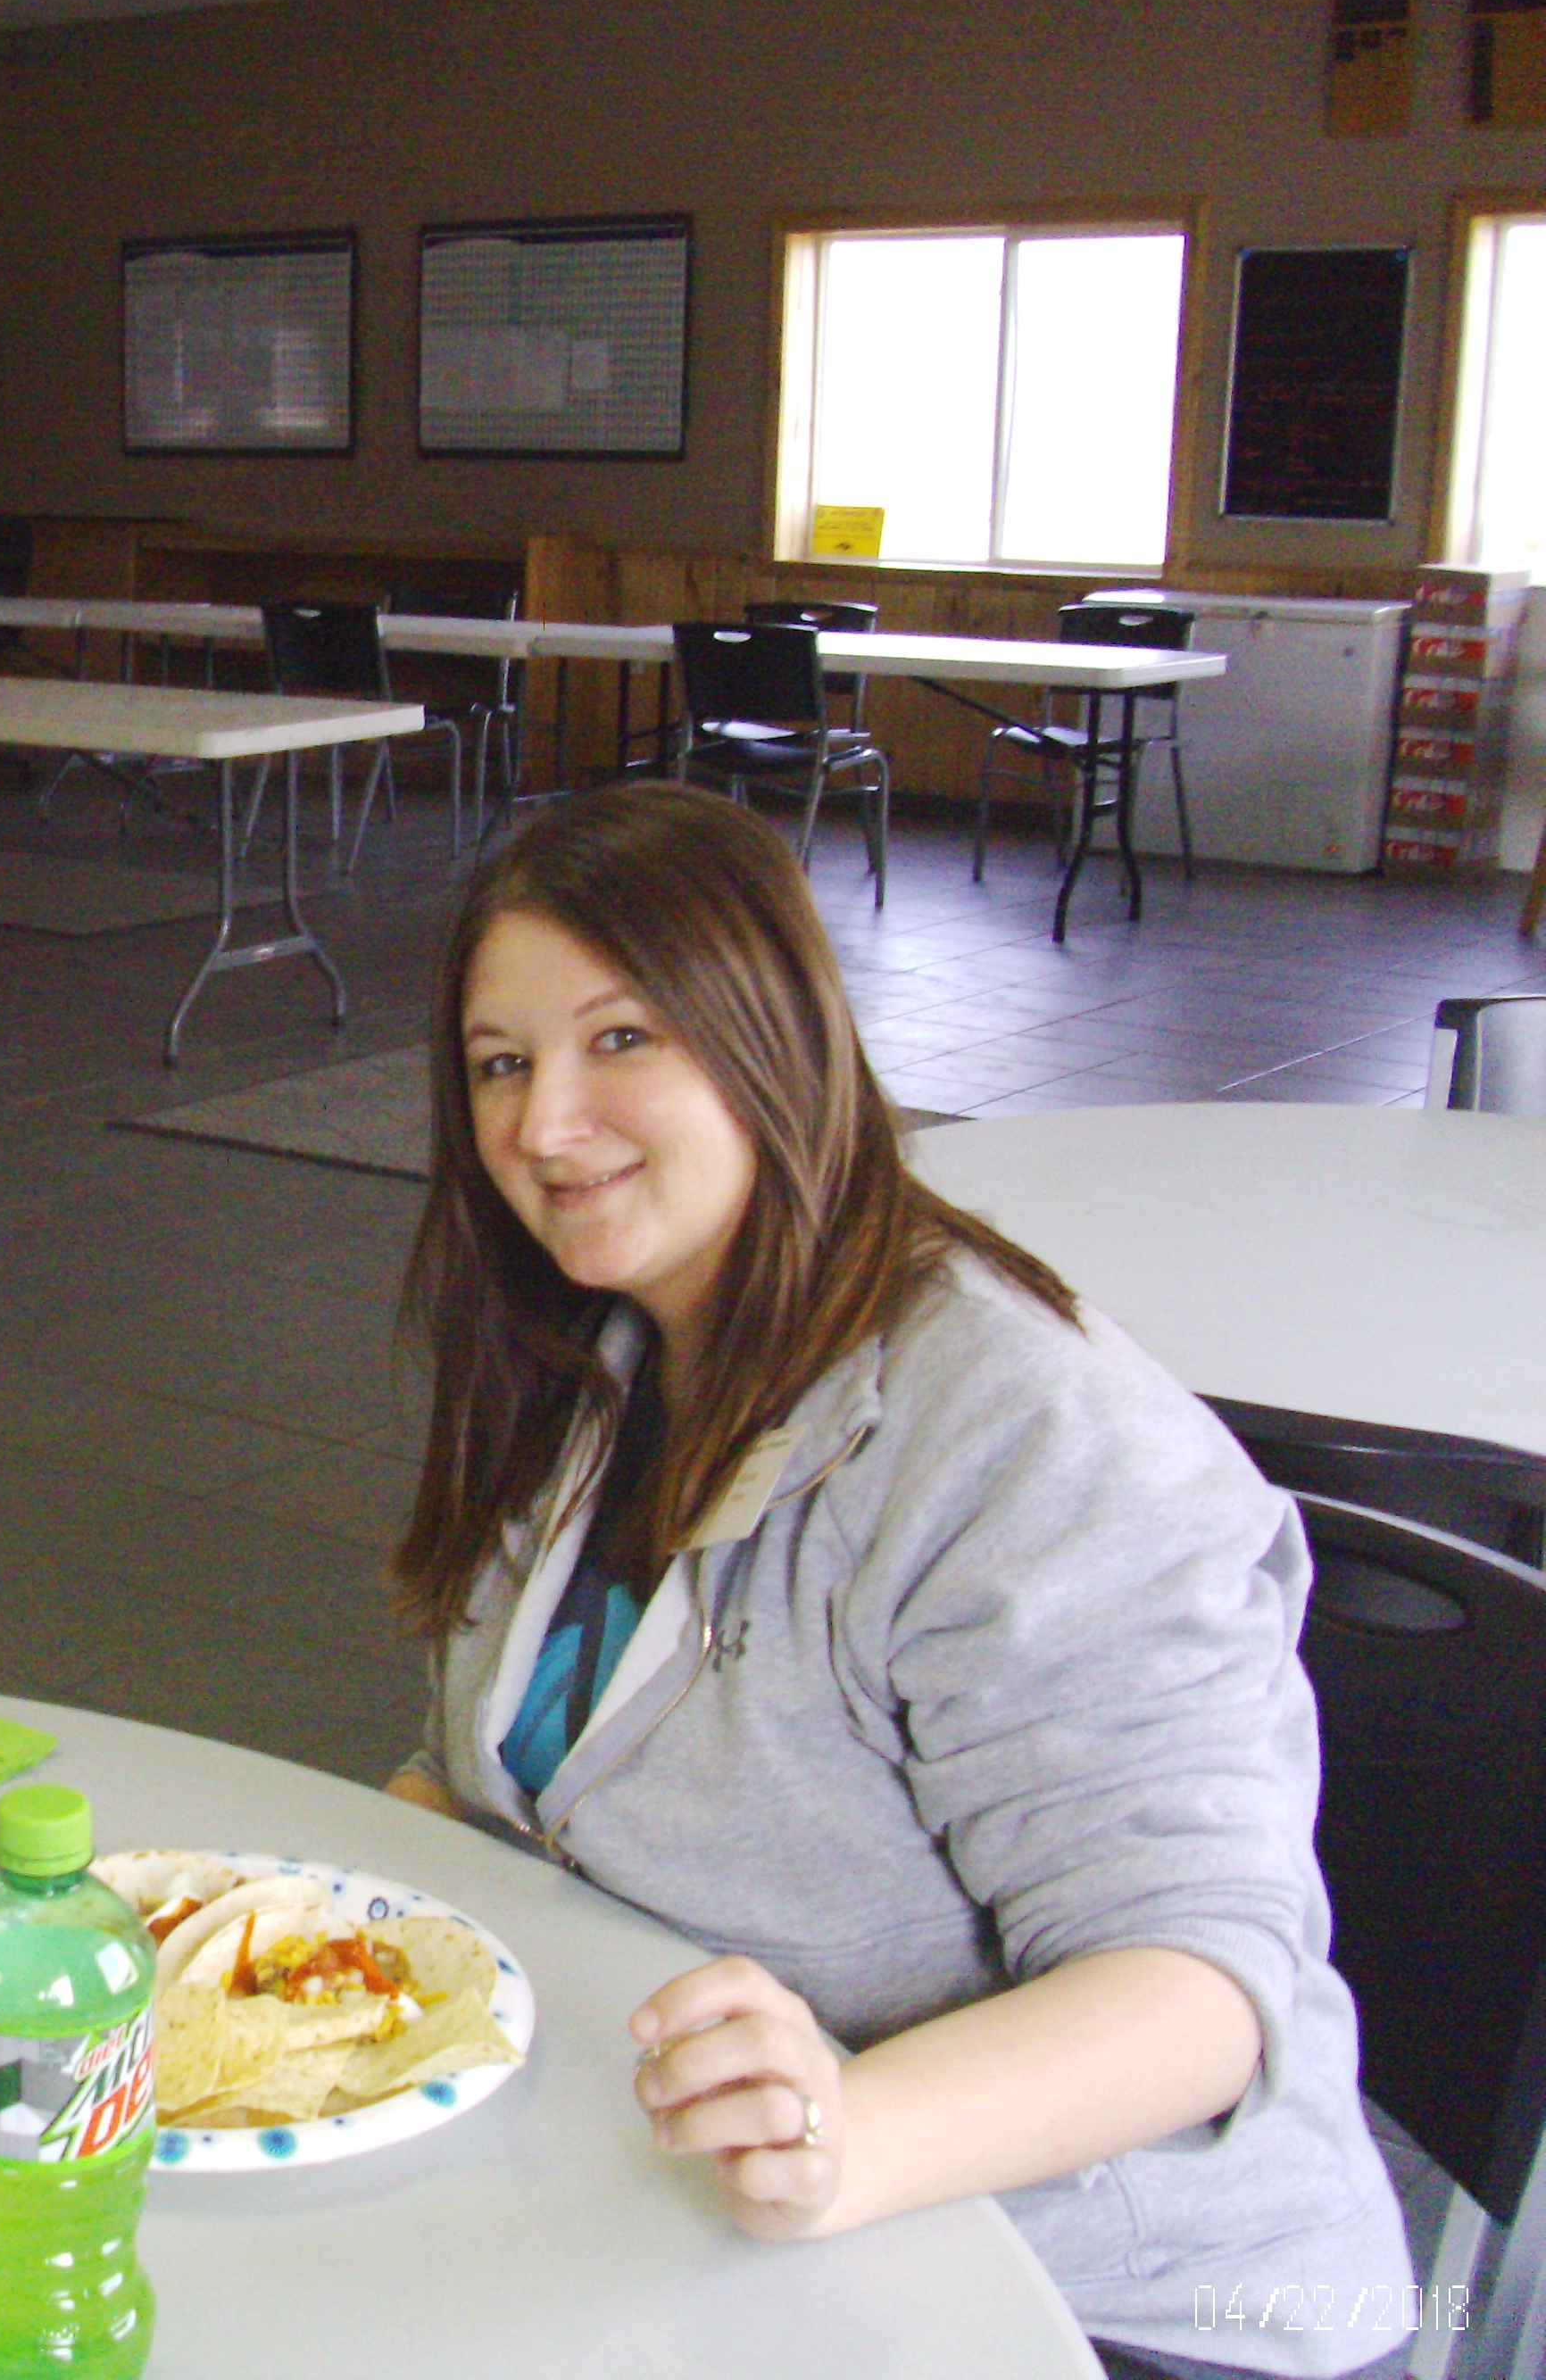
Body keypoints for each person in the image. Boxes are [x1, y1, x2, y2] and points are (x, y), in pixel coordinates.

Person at [383, 785, 1411, 2379]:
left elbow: (1193, 1993)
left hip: (1091, 2293)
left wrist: (844, 2137)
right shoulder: (599, 1357)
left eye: (622, 1040)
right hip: (688, 2198)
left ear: (774, 1039)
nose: (543, 1124)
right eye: (501, 1063)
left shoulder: (1026, 1434)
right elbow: (504, 1784)